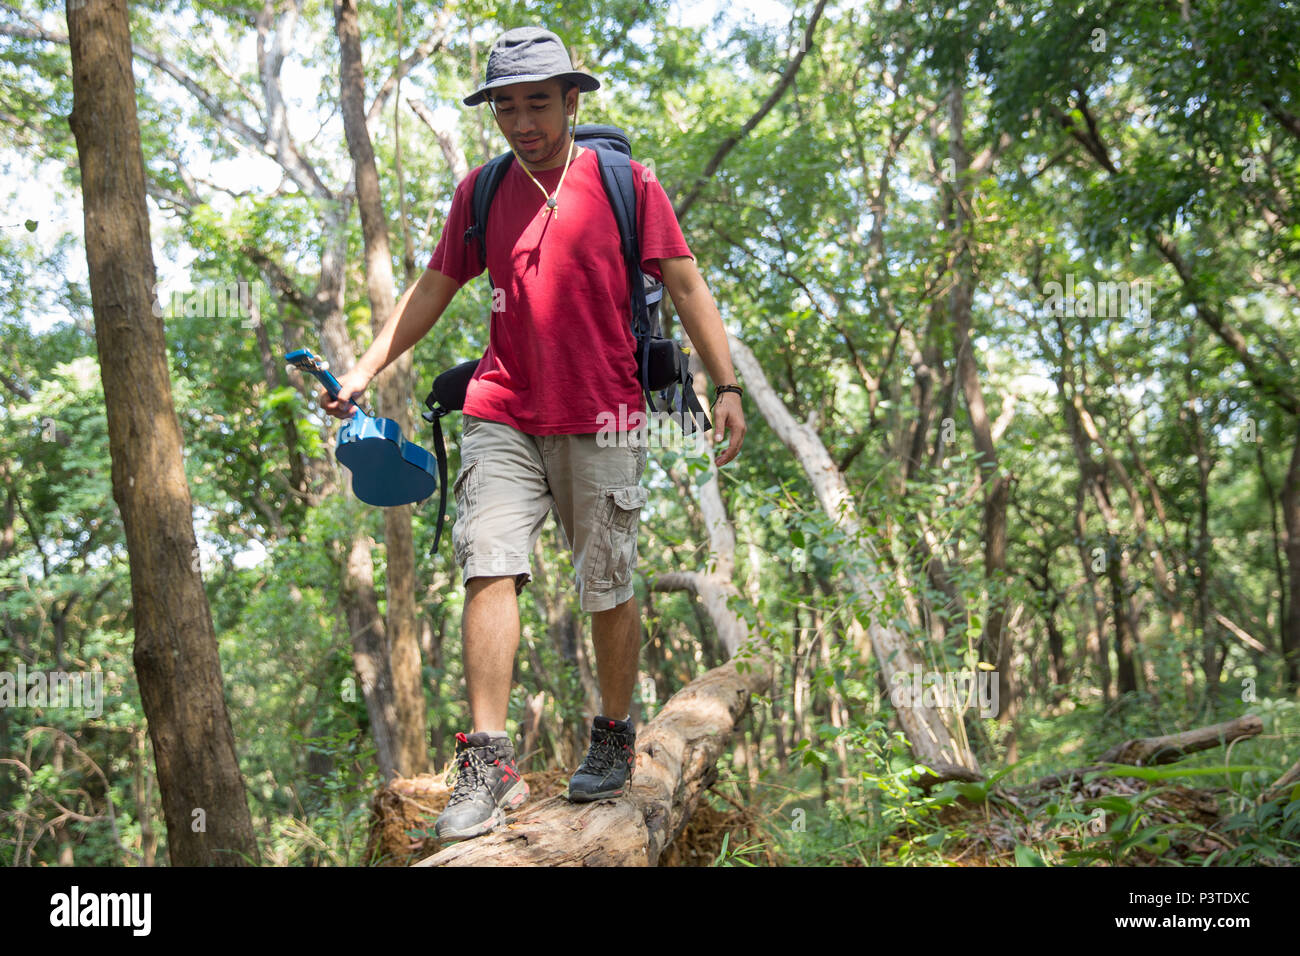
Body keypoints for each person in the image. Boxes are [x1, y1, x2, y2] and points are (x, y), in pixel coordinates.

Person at [321, 25, 746, 840]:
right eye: (506, 106)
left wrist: (724, 384)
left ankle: (614, 736)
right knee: (489, 564)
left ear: (573, 100)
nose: (523, 122)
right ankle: (485, 762)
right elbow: (434, 285)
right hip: (502, 407)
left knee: (608, 579)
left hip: (605, 410)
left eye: (538, 104)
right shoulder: (483, 193)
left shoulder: (625, 182)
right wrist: (365, 368)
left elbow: (686, 282)